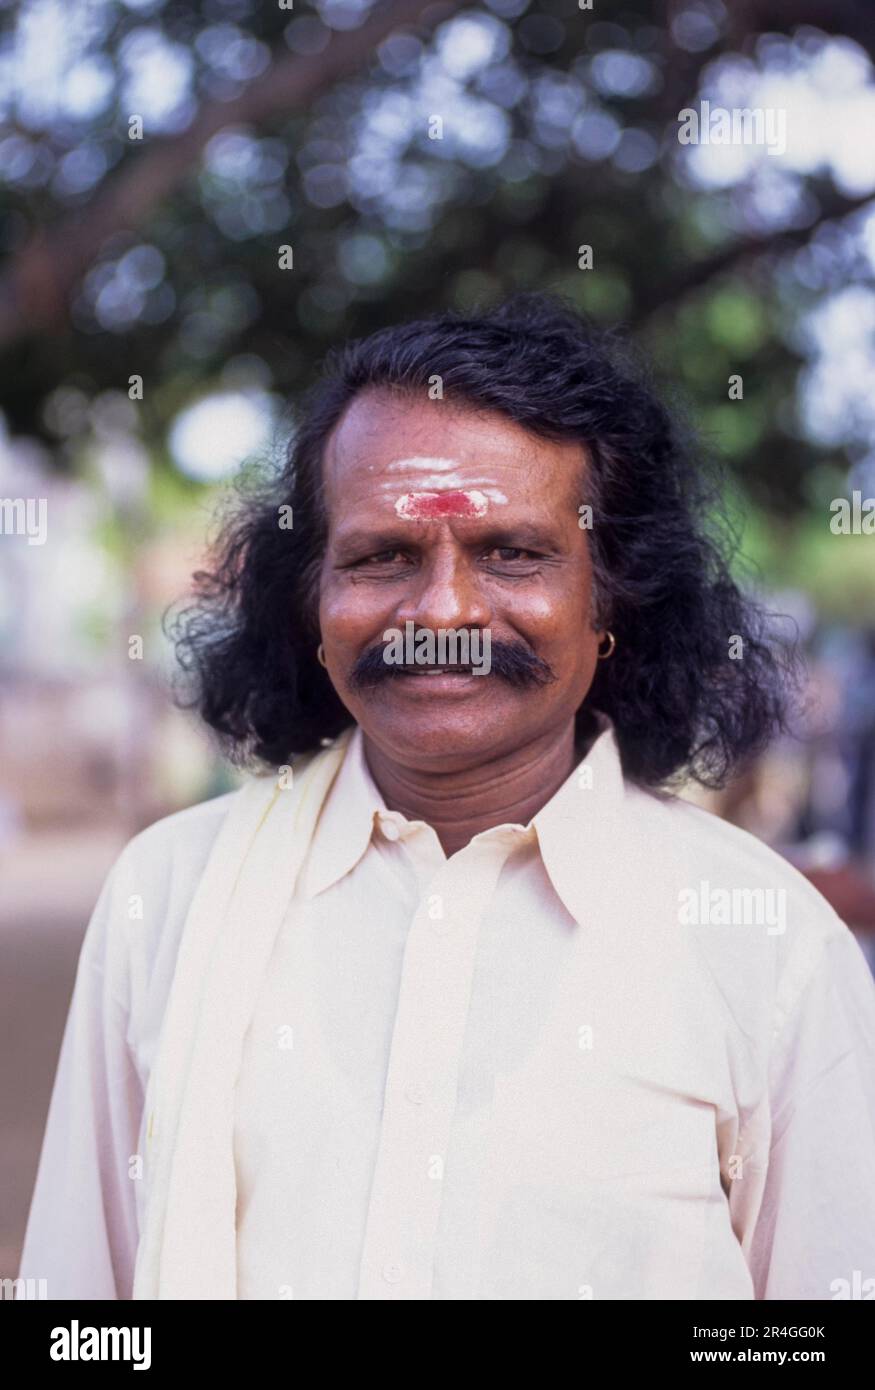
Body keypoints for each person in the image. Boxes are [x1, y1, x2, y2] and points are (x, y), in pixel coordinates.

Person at [19, 293, 875, 1300]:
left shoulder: (766, 943)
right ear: (310, 605)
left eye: (511, 552)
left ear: (611, 598)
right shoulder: (164, 896)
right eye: (381, 556)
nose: (441, 613)